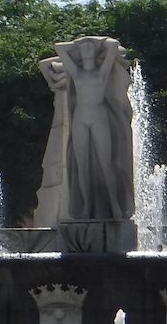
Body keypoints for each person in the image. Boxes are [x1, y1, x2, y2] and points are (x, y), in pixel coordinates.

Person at [55, 36, 135, 220]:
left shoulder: (102, 72)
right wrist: (81, 43)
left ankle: (115, 205)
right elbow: (59, 47)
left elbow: (113, 45)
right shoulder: (76, 72)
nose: (86, 49)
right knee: (82, 166)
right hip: (81, 119)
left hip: (99, 117)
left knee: (106, 164)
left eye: (90, 47)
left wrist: (96, 41)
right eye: (83, 48)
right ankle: (87, 206)